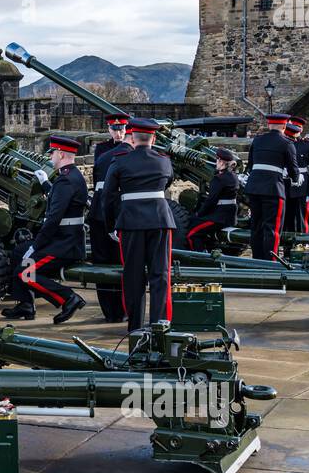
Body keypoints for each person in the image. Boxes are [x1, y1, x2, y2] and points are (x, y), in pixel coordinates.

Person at [2, 134, 88, 324]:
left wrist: (36, 246)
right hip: (63, 240)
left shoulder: (65, 180)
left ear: (61, 154)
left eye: (53, 154)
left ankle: (68, 298)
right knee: (18, 252)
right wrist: (45, 184)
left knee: (24, 272)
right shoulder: (69, 176)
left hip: (64, 244)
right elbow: (61, 200)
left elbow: (53, 219)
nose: (51, 158)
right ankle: (26, 305)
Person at [102, 117, 175, 331]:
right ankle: (160, 326)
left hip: (131, 223)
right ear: (153, 138)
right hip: (160, 221)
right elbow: (168, 182)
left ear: (132, 138)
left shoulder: (120, 161)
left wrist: (111, 225)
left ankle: (135, 328)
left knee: (133, 277)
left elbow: (108, 197)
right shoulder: (164, 161)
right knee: (160, 276)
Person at [85, 115, 131, 322]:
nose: (118, 133)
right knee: (102, 260)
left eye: (122, 129)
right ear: (109, 129)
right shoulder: (104, 150)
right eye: (115, 129)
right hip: (105, 211)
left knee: (118, 261)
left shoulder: (113, 153)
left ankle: (121, 308)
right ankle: (110, 311)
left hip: (113, 210)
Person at [244, 113, 300, 261]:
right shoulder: (287, 143)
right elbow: (294, 170)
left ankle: (257, 259)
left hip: (254, 188)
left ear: (269, 125)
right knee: (272, 229)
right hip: (273, 189)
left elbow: (250, 165)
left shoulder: (257, 140)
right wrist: (295, 177)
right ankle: (270, 262)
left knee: (256, 227)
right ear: (284, 126)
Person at [186, 147, 239, 250]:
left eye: (218, 160)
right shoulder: (233, 176)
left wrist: (199, 214)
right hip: (230, 216)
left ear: (222, 162)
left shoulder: (219, 179)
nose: (217, 162)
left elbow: (211, 201)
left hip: (219, 217)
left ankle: (199, 258)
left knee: (192, 233)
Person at [283, 116, 309, 234]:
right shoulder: (283, 142)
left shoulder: (307, 145)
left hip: (302, 187)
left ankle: (302, 246)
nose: (295, 129)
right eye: (292, 126)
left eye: (298, 127)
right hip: (284, 184)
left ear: (301, 129)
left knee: (301, 220)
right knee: (284, 220)